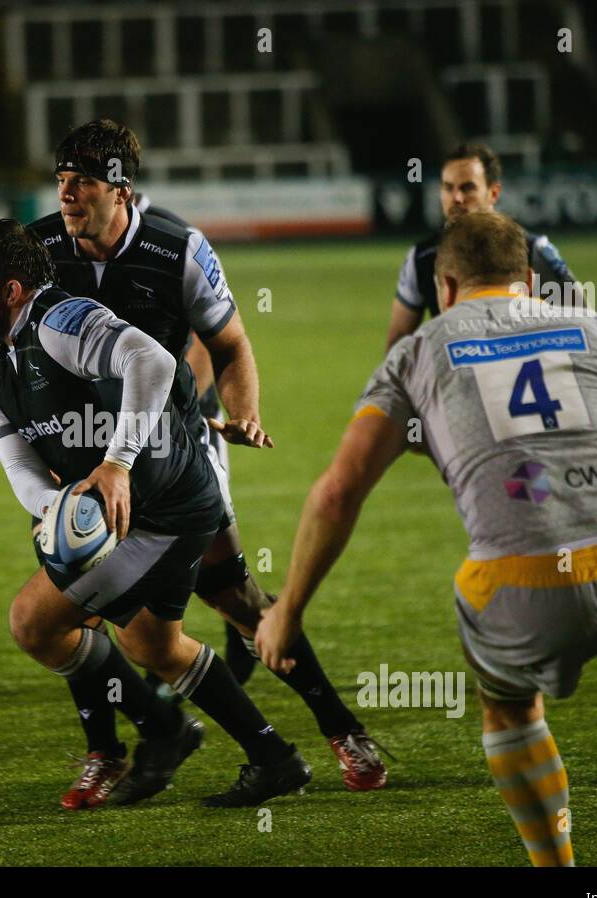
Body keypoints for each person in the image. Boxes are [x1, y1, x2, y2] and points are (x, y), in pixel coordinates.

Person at [257, 210, 597, 866]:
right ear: (530, 279)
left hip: (526, 578)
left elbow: (337, 491)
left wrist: (287, 611)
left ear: (443, 288)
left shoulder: (417, 351)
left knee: (508, 708)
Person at [20, 120, 382, 808]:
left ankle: (343, 730)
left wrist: (242, 411)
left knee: (234, 595)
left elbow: (231, 344)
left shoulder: (177, 246)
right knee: (77, 591)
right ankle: (108, 751)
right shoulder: (39, 248)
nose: (67, 195)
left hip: (181, 449)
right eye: (62, 180)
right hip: (86, 452)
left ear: (120, 187)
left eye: (84, 182)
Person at [0, 218, 312, 807]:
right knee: (153, 645)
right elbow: (18, 463)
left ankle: (164, 729)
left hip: (168, 504)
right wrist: (61, 509)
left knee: (32, 621)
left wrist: (117, 463)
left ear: (13, 288)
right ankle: (273, 756)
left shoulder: (62, 320)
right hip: (139, 510)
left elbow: (153, 361)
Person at [386, 143, 575, 352]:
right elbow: (397, 342)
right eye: (448, 187)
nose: (456, 198)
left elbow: (584, 323)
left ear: (493, 193)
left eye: (468, 187)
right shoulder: (421, 258)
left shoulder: (534, 251)